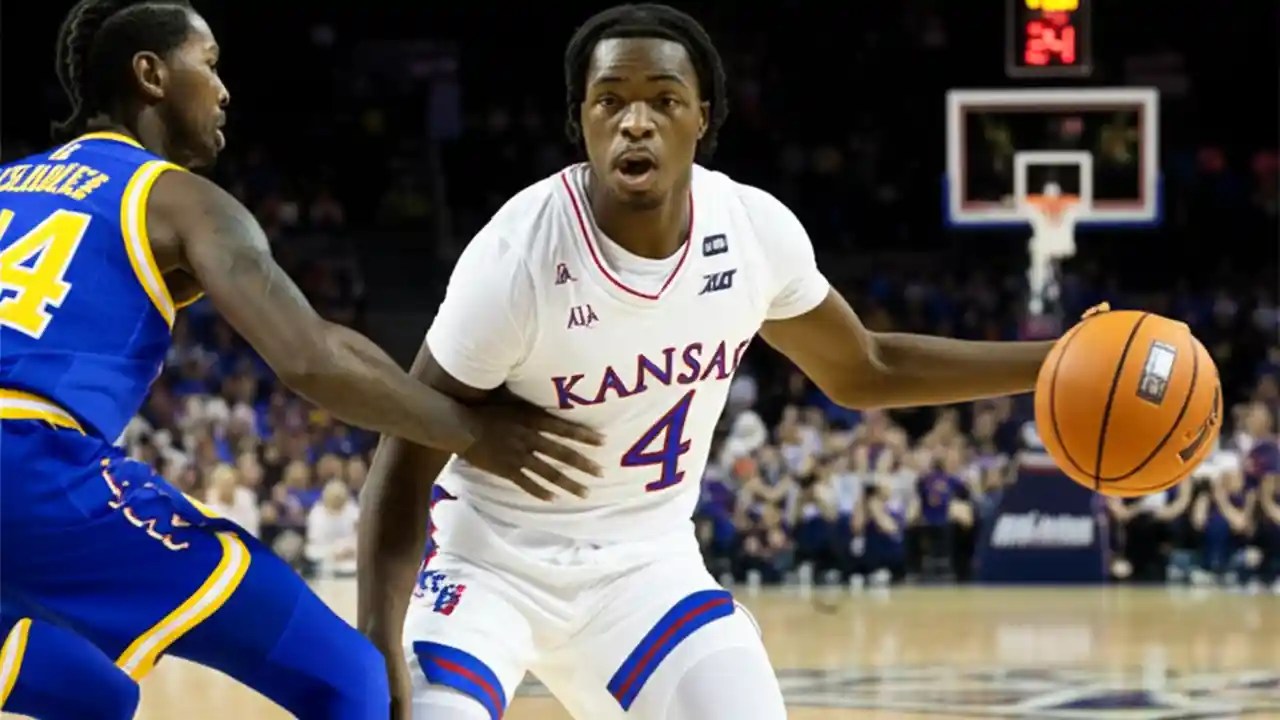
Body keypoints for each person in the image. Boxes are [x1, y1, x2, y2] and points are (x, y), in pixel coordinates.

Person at [357, 4, 1061, 719]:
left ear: (703, 117)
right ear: (582, 123)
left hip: (643, 568)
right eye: (610, 101)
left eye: (663, 101)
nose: (636, 121)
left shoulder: (753, 232)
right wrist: (377, 645)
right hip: (487, 567)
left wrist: (1056, 362)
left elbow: (866, 367)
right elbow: (403, 454)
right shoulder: (517, 257)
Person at [0, 1, 601, 718]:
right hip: (29, 463)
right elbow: (313, 358)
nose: (224, 90)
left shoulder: (11, 182)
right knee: (348, 678)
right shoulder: (178, 199)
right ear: (150, 75)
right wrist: (472, 430)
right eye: (210, 62)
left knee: (87, 696)